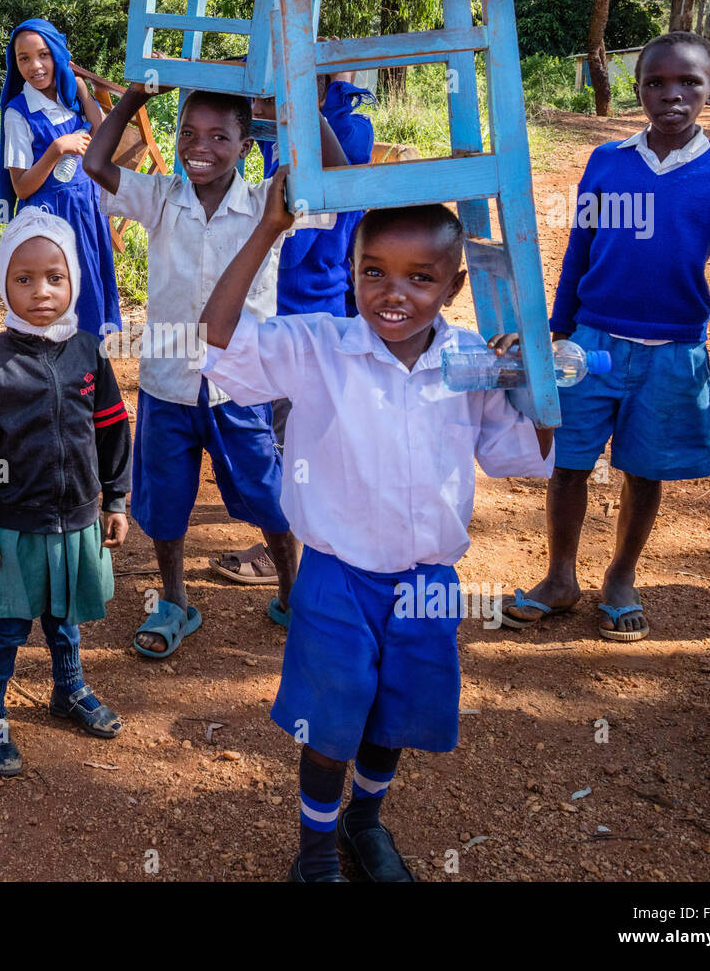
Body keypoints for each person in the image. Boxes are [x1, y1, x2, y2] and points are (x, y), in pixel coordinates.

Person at [200, 180, 554, 881]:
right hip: (336, 577)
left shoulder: (472, 362)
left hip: (428, 580)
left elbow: (520, 453)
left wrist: (534, 381)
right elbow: (218, 340)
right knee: (330, 726)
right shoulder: (320, 346)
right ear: (353, 269)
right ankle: (314, 854)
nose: (393, 293)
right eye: (373, 272)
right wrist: (271, 226)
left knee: (395, 718)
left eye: (420, 278)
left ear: (453, 285)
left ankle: (364, 821)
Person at [500, 31, 710, 642]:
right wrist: (555, 332)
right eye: (655, 83)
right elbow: (579, 251)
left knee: (644, 470)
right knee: (568, 465)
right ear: (638, 90)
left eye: (688, 83)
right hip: (591, 345)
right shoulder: (607, 163)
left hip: (673, 351)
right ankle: (559, 578)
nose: (671, 95)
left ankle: (622, 578)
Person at [83, 78, 347, 658]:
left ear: (248, 143)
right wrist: (134, 97)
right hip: (167, 385)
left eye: (219, 136)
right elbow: (97, 164)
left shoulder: (264, 204)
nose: (199, 147)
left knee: (269, 496)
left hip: (241, 390)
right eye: (188, 133)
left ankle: (292, 593)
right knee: (167, 500)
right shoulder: (160, 197)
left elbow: (336, 183)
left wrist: (294, 106)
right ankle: (175, 601)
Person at [0, 209, 132, 776]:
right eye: (23, 279)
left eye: (55, 276)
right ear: (4, 282)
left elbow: (111, 428)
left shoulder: (88, 352)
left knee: (64, 617)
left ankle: (69, 689)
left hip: (76, 518)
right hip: (13, 524)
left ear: (75, 279)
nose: (41, 291)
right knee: (7, 625)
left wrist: (116, 498)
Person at [212, 73, 377, 615]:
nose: (264, 94)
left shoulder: (350, 129)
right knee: (284, 432)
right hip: (276, 300)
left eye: (276, 80)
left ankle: (298, 558)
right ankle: (297, 552)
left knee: (298, 440)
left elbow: (329, 201)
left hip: (311, 302)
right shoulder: (274, 126)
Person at [0, 19, 122, 338]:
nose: (35, 66)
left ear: (57, 55)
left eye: (43, 55)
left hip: (87, 212)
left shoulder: (71, 96)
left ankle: (88, 372)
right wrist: (55, 149)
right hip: (50, 221)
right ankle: (50, 375)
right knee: (54, 298)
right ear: (16, 64)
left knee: (90, 292)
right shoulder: (18, 114)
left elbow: (103, 136)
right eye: (23, 58)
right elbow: (22, 187)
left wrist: (82, 91)